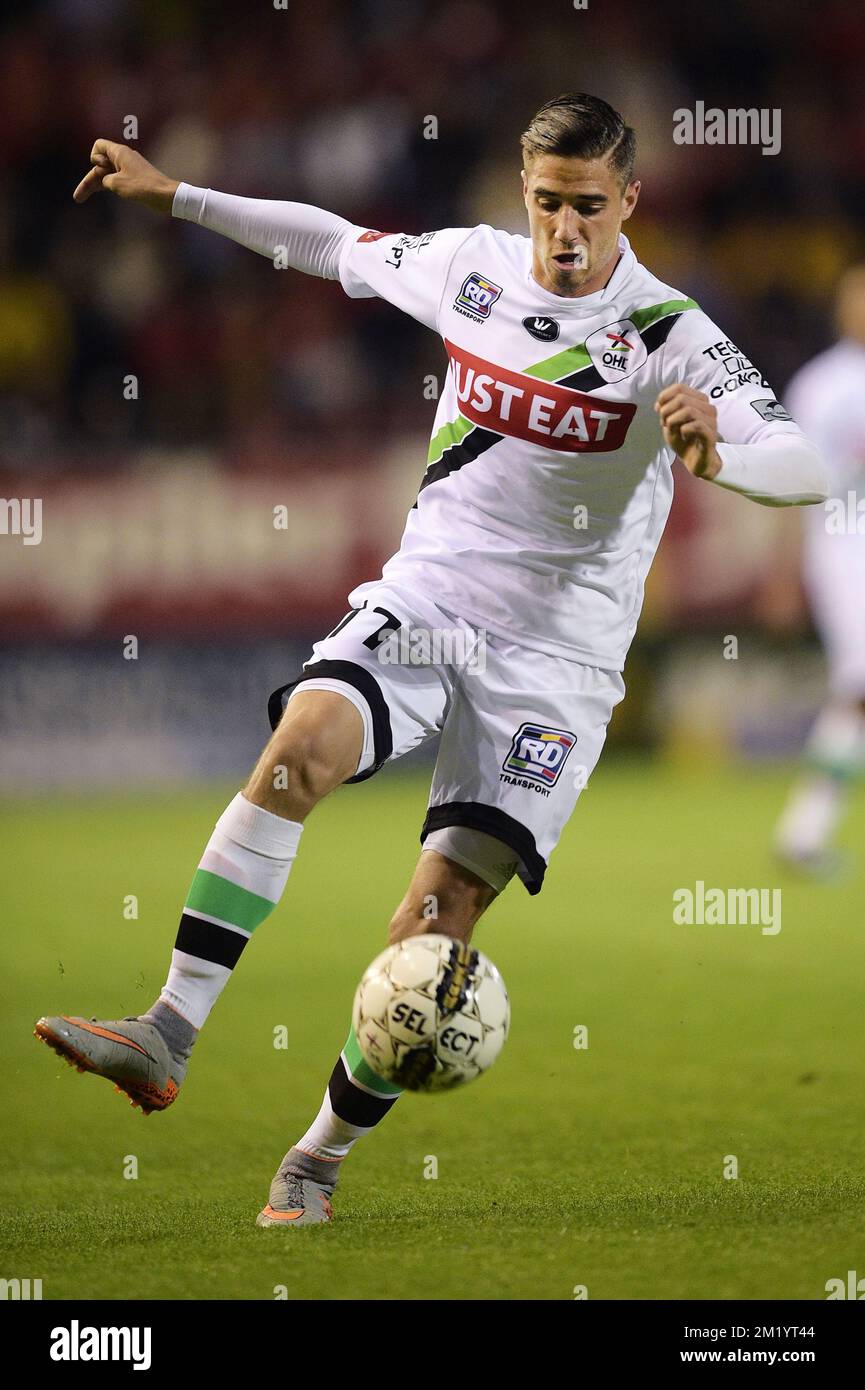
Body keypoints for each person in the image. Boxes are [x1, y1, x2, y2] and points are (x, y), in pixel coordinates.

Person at [35, 94, 827, 1226]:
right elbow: (327, 242)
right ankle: (166, 1029)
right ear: (522, 189)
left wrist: (722, 458)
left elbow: (806, 464)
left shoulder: (667, 333)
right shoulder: (469, 268)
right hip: (434, 599)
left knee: (435, 929)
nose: (564, 230)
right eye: (546, 201)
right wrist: (177, 196)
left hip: (557, 668)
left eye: (588, 207)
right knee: (301, 746)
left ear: (630, 202)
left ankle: (314, 1156)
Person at [774, 264, 865, 874]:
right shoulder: (824, 383)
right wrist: (783, 573)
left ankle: (803, 833)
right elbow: (789, 480)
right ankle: (803, 834)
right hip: (843, 546)